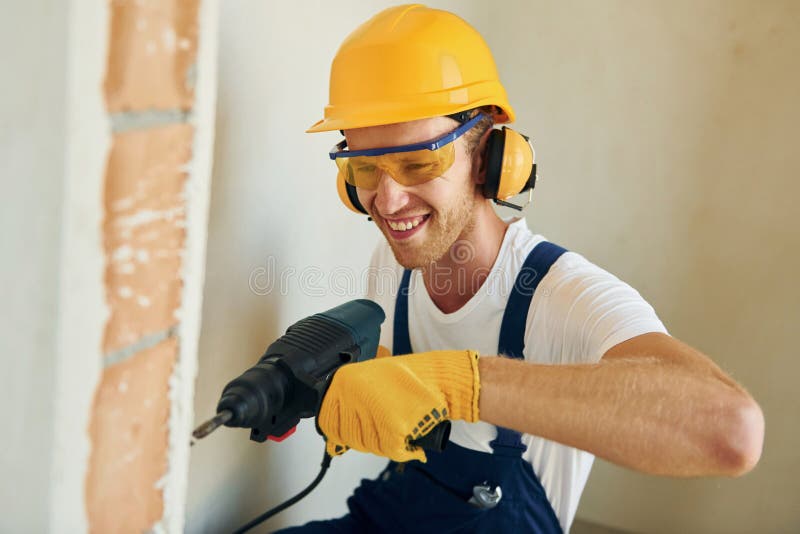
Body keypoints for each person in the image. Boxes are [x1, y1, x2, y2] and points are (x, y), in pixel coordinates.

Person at [280, 4, 764, 533]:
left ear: (491, 156)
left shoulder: (563, 295)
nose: (388, 201)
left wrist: (460, 385)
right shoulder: (394, 265)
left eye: (419, 163)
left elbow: (731, 433)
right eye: (366, 166)